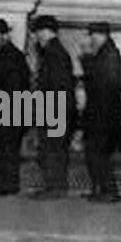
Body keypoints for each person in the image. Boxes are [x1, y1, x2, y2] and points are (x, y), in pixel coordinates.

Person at [30, 15, 75, 198]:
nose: (35, 37)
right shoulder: (55, 51)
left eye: (37, 32)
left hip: (53, 109)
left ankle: (55, 188)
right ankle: (55, 187)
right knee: (53, 149)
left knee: (52, 149)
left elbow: (53, 85)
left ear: (45, 31)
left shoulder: (52, 53)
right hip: (57, 108)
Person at [81, 21, 121, 202]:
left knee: (99, 153)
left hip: (103, 114)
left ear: (101, 35)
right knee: (96, 153)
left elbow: (103, 85)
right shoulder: (107, 53)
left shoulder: (109, 54)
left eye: (93, 35)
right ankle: (101, 189)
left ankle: (107, 190)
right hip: (103, 113)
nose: (91, 39)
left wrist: (86, 60)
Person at [0, 18, 30, 196]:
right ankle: (5, 183)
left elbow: (12, 87)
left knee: (7, 148)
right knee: (7, 148)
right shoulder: (8, 54)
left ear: (5, 35)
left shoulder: (9, 56)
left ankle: (7, 185)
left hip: (12, 109)